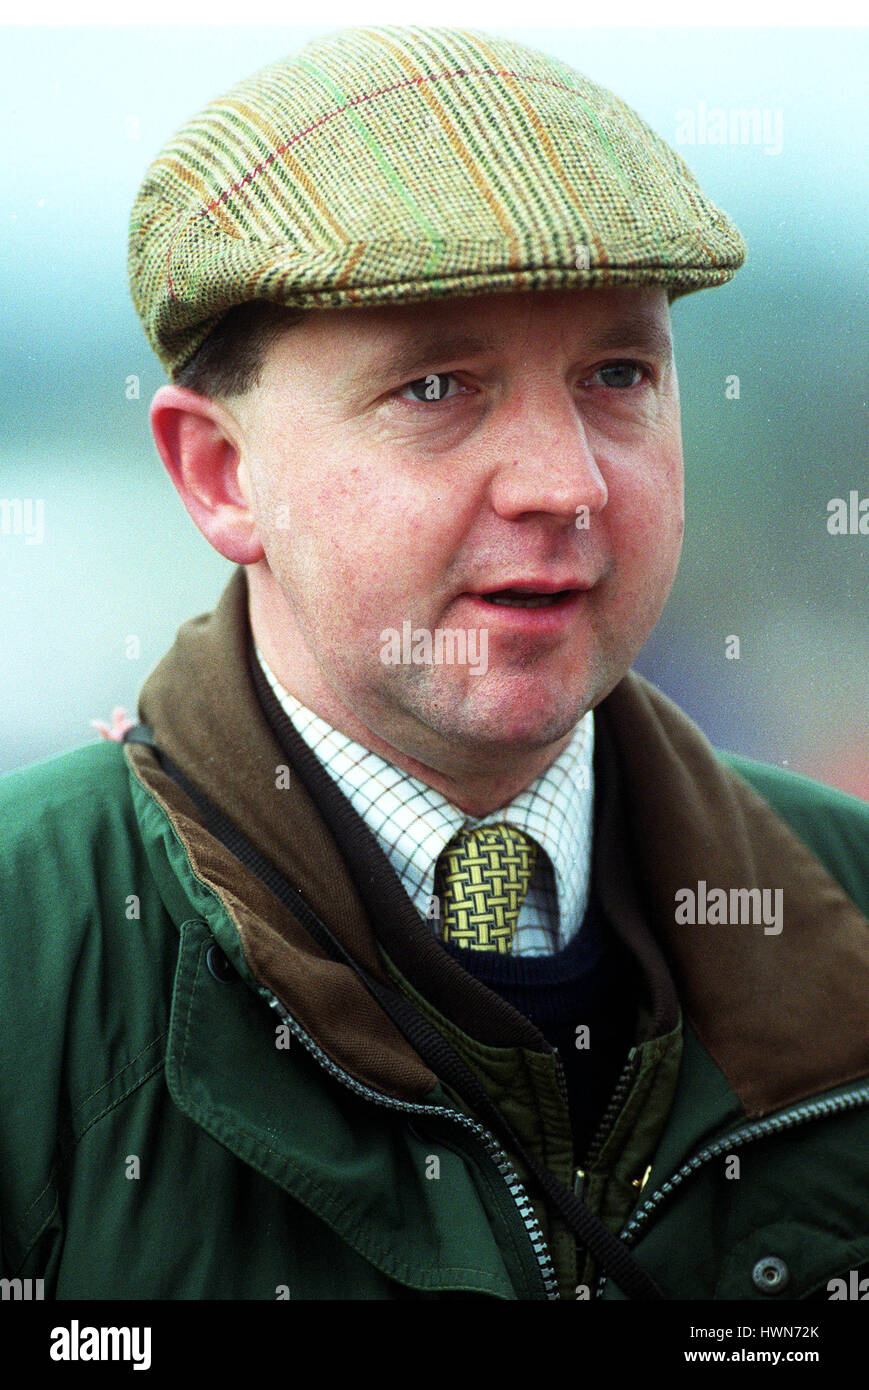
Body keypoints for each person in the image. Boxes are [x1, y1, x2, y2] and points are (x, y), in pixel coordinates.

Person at [2, 23, 868, 1304]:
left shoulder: (843, 896)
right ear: (220, 475)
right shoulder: (33, 953)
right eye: (435, 388)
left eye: (617, 373)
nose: (565, 484)